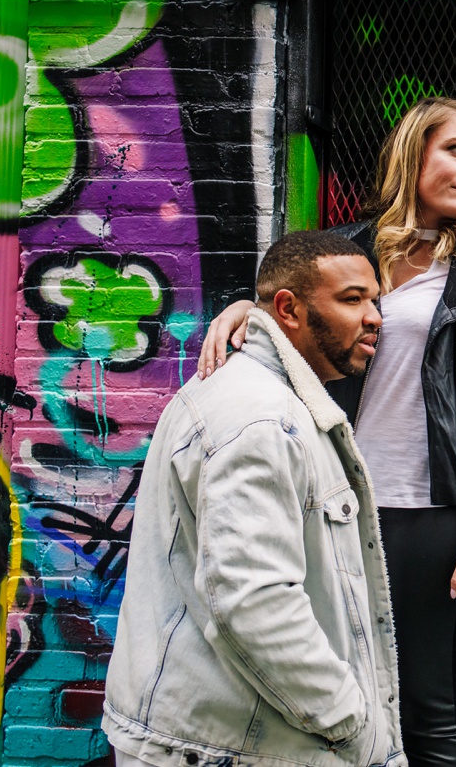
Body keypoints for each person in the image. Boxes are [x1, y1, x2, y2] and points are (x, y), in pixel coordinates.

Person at [197, 97, 456, 767]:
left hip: (430, 512)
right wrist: (249, 306)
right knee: (342, 699)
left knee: (428, 711)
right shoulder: (350, 249)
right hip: (333, 502)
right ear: (415, 154)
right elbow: (291, 311)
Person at [103, 230, 402, 767]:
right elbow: (253, 603)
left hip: (228, 734)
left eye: (374, 300)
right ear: (288, 309)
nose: (375, 316)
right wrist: (351, 725)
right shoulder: (262, 419)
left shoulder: (266, 399)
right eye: (353, 299)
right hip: (229, 747)